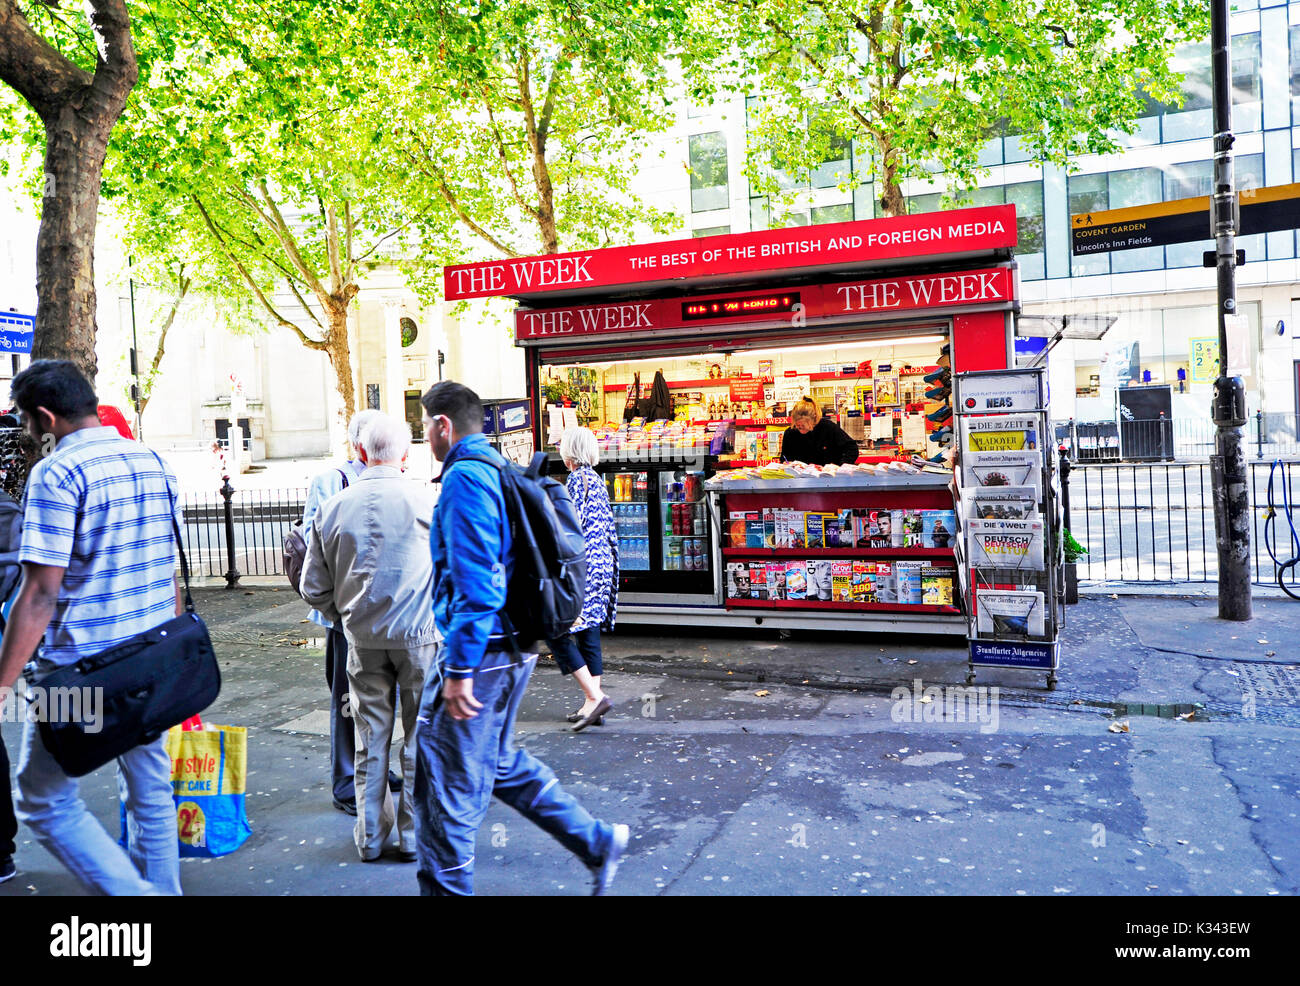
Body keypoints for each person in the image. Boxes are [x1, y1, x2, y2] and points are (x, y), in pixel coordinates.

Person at [414, 380, 629, 896]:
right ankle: (596, 842)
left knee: (448, 790)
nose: (423, 437)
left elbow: (477, 579)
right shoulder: (495, 467)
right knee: (501, 763)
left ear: (443, 425)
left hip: (482, 652)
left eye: (424, 425)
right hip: (511, 647)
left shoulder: (465, 478)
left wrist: (460, 669)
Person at [0, 360, 183, 895]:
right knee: (150, 791)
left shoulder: (56, 474)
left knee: (43, 801)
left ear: (45, 417)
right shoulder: (153, 461)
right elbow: (165, 565)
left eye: (28, 425)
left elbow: (38, 594)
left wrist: (3, 681)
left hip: (82, 672)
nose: (30, 437)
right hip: (148, 657)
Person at [301, 413, 436, 862]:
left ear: (361, 453)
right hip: (419, 637)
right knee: (420, 738)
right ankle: (414, 835)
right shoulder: (426, 500)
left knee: (370, 739)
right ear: (405, 454)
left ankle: (371, 836)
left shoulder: (333, 506)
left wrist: (342, 617)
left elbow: (313, 587)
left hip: (362, 639)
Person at [302, 408, 396, 816]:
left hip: (380, 612)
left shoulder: (391, 481)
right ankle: (345, 778)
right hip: (346, 613)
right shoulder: (330, 482)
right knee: (345, 698)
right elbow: (315, 545)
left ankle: (375, 769)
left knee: (377, 696)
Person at [548, 427, 617, 732]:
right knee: (589, 633)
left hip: (583, 567)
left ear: (569, 451)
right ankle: (593, 706)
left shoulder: (577, 481)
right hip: (602, 564)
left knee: (556, 629)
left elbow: (569, 526)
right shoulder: (597, 481)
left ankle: (594, 695)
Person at [779, 397, 860, 466]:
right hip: (799, 480)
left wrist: (841, 467)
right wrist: (786, 464)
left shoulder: (828, 427)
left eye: (803, 425)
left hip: (828, 479)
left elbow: (852, 448)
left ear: (813, 419)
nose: (800, 428)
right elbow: (784, 457)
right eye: (797, 425)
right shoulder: (790, 433)